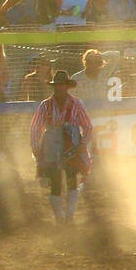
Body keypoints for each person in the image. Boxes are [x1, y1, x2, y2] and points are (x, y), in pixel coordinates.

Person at [30, 70, 94, 226]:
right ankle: (60, 217)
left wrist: (83, 144)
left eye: (61, 85)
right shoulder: (45, 105)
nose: (59, 88)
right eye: (56, 85)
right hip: (52, 143)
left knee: (72, 178)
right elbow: (35, 127)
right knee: (55, 181)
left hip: (70, 143)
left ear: (67, 87)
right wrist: (36, 147)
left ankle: (69, 216)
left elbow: (88, 127)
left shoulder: (77, 104)